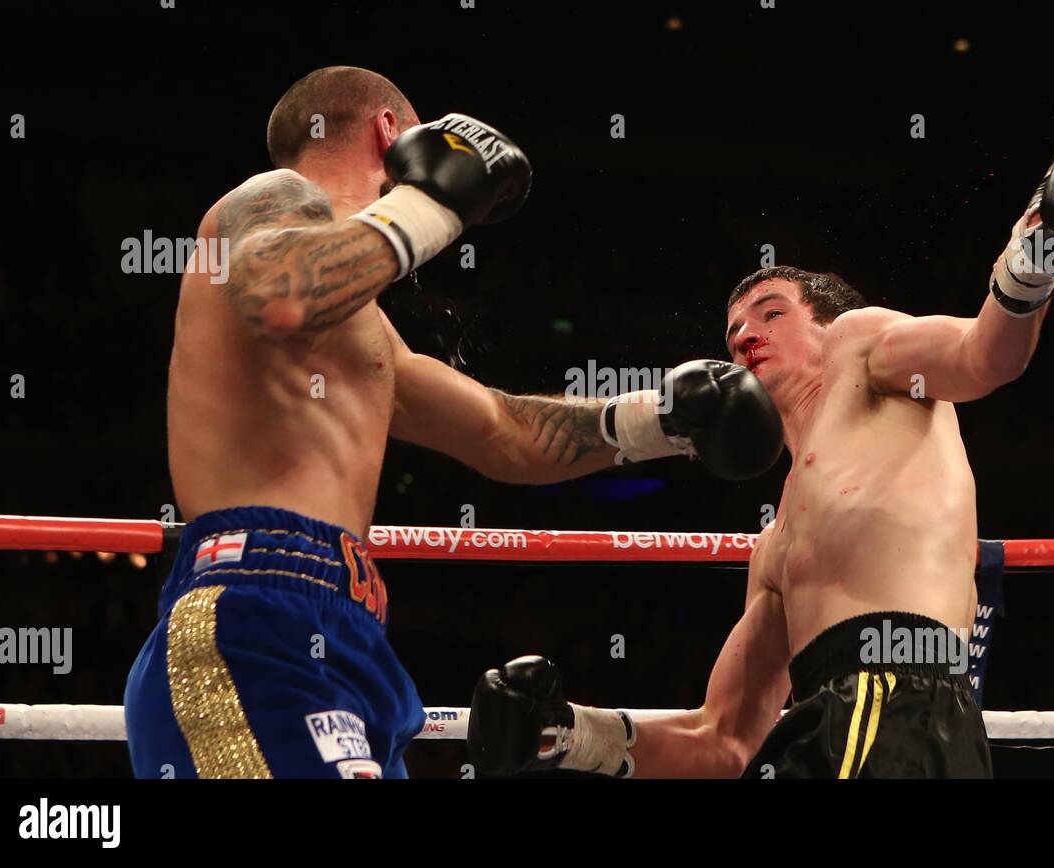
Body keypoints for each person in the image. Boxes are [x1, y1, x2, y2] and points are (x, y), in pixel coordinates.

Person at [124, 66, 782, 779]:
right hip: (252, 613)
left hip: (346, 627)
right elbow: (282, 296)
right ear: (391, 132)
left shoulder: (366, 334)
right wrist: (434, 202)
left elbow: (505, 432)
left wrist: (664, 418)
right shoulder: (272, 198)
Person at [467, 127, 1054, 778]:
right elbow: (722, 740)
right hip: (838, 720)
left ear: (825, 321)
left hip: (895, 704)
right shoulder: (777, 539)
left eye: (771, 313)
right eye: (732, 333)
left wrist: (1031, 260)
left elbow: (985, 357)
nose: (744, 335)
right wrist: (571, 735)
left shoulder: (862, 346)